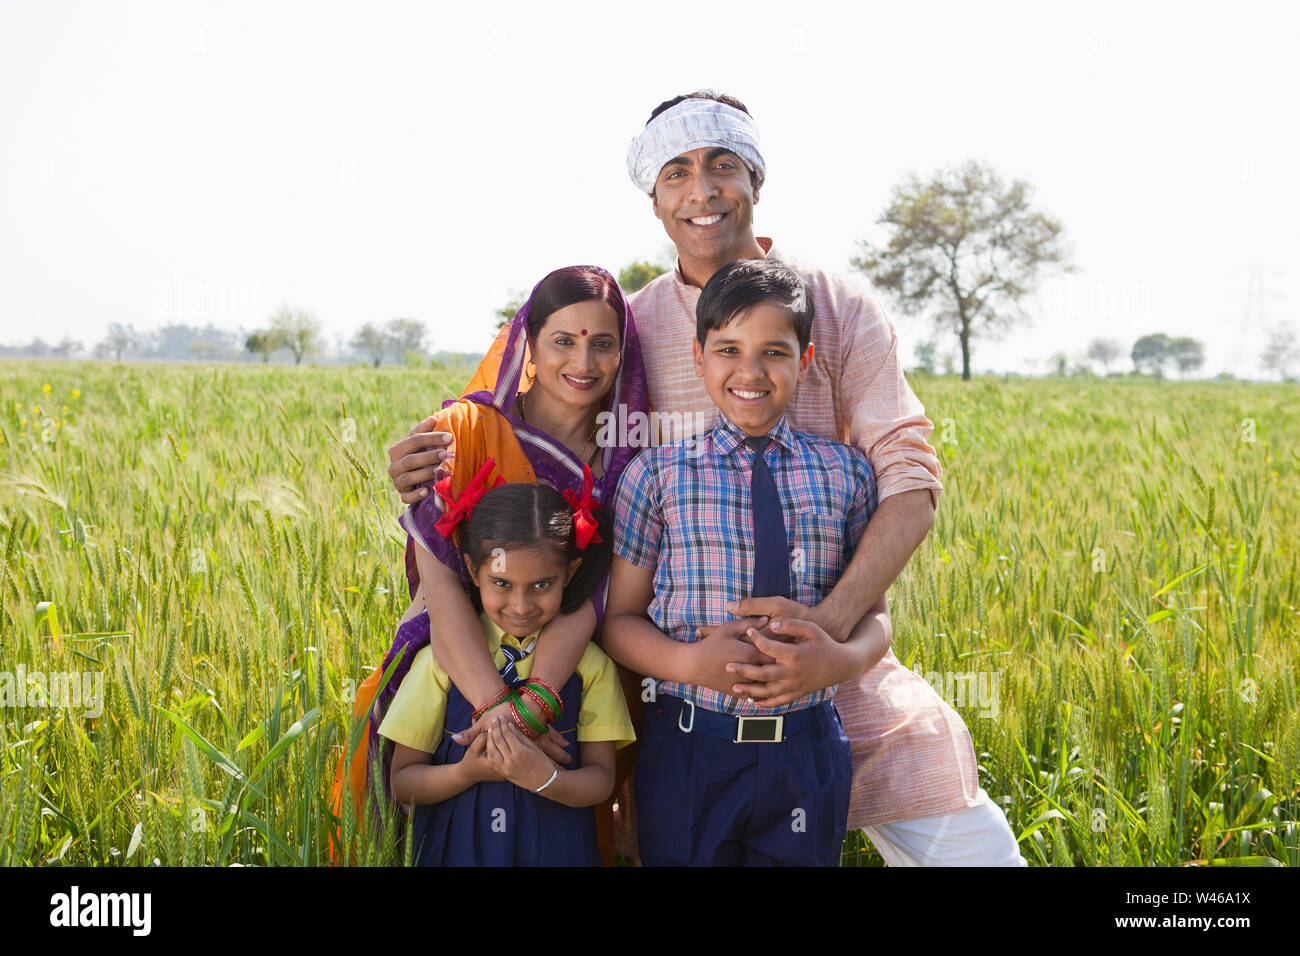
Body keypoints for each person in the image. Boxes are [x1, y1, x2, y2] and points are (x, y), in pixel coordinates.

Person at [388, 92, 1023, 866]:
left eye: (724, 166)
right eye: (677, 173)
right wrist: (436, 457)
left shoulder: (838, 305)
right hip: (679, 705)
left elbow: (911, 478)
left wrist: (826, 631)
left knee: (976, 853)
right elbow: (539, 441)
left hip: (843, 681)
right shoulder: (636, 323)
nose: (703, 190)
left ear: (755, 179)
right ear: (653, 200)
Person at [327, 265, 651, 864]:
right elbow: (441, 584)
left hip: (567, 694)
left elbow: (592, 598)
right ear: (527, 343)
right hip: (453, 683)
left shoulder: (628, 460)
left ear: (622, 354)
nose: (583, 360)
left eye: (602, 342)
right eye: (563, 340)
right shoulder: (463, 432)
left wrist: (535, 702)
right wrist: (495, 710)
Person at [604, 258, 889, 865]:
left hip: (806, 754)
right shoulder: (656, 476)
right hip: (687, 751)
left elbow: (878, 618)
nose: (750, 372)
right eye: (728, 349)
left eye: (774, 352)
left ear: (805, 361)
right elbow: (618, 621)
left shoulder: (846, 473)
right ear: (698, 357)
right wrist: (688, 663)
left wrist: (838, 660)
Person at [380, 480, 635, 866]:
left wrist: (544, 778)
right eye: (502, 583)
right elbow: (402, 782)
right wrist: (468, 773)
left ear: (571, 572)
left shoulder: (590, 666)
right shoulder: (439, 663)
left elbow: (601, 780)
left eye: (541, 585)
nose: (521, 604)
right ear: (471, 568)